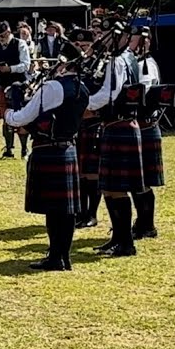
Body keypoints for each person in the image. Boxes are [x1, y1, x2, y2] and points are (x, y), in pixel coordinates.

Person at [4, 54, 88, 271]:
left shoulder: (53, 87)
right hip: (68, 147)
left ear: (65, 64)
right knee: (66, 210)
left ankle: (55, 256)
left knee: (54, 209)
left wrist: (8, 113)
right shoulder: (83, 88)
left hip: (48, 149)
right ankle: (63, 255)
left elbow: (24, 117)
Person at [87, 30, 146, 257]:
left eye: (109, 36)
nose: (103, 40)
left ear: (122, 37)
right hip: (120, 125)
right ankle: (118, 238)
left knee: (116, 189)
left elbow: (110, 94)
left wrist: (84, 103)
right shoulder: (129, 58)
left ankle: (126, 243)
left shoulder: (117, 61)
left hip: (118, 125)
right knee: (110, 189)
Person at [70, 29, 104, 228]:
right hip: (76, 123)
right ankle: (80, 212)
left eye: (85, 46)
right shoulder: (74, 65)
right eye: (78, 46)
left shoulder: (100, 65)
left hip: (93, 120)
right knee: (79, 172)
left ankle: (92, 214)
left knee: (92, 172)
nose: (82, 49)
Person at [132, 30, 163, 240]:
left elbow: (138, 95)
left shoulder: (146, 65)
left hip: (143, 125)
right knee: (136, 180)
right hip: (139, 126)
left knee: (141, 179)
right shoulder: (134, 62)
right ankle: (142, 223)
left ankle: (146, 224)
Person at [0, 22, 32, 158]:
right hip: (1, 84)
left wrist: (10, 69)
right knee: (6, 119)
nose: (0, 39)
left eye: (2, 35)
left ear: (8, 32)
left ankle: (24, 148)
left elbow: (25, 65)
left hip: (20, 85)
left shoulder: (20, 44)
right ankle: (8, 149)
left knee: (22, 117)